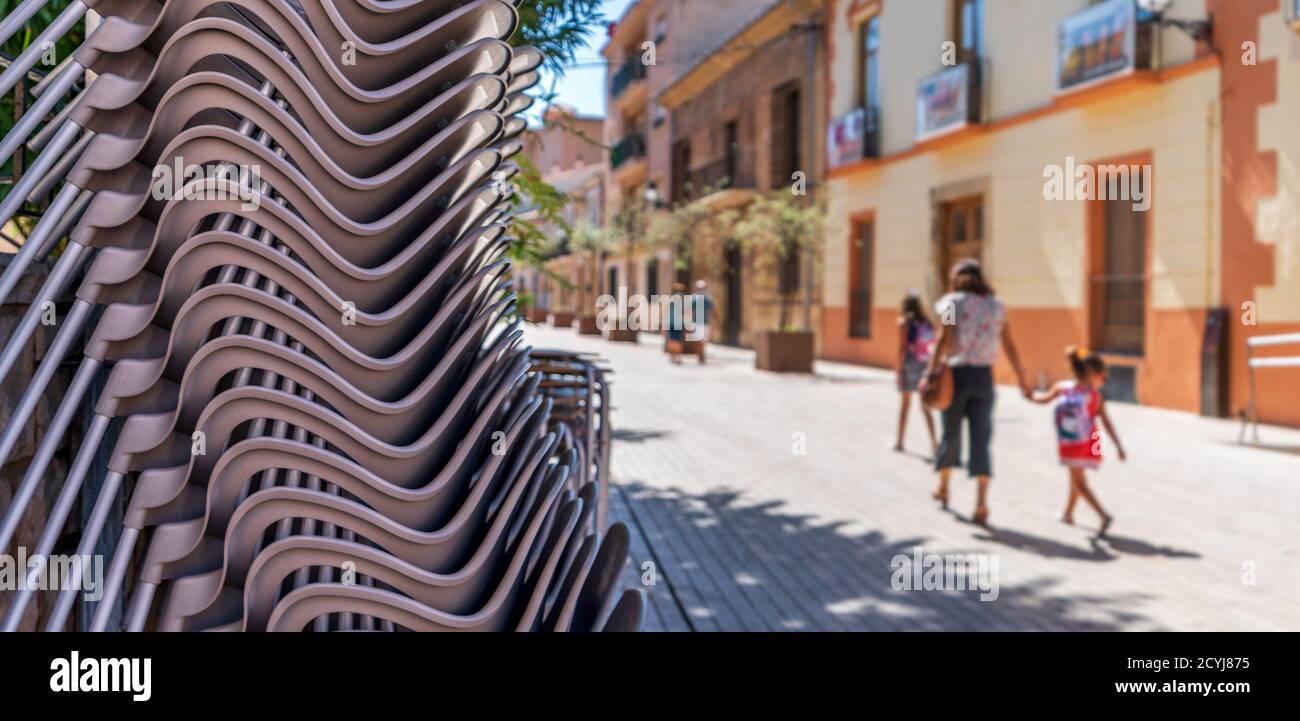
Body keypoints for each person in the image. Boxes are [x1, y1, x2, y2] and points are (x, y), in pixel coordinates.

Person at [920, 259, 1030, 526]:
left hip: (956, 376)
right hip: (984, 377)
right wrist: (1022, 379)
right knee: (981, 439)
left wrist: (930, 373)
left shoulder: (951, 302)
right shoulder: (997, 306)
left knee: (951, 432)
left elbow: (943, 340)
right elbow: (1010, 346)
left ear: (957, 278)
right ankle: (981, 503)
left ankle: (943, 487)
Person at [1028, 346, 1124, 535]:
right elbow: (1106, 422)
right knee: (1076, 478)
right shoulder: (1095, 396)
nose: (1103, 381)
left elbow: (1042, 400)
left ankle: (1103, 515)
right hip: (1091, 443)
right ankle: (1068, 513)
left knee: (1078, 481)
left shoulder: (1062, 388)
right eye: (1102, 377)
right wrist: (1118, 446)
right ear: (1092, 374)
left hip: (1070, 443)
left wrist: (1029, 396)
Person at [894, 291, 938, 455]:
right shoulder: (926, 322)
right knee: (925, 406)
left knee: (905, 405)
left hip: (909, 365)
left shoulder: (904, 323)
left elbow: (902, 348)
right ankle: (934, 444)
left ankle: (899, 442)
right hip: (924, 365)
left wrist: (898, 370)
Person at [689, 280, 714, 363]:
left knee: (703, 340)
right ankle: (700, 354)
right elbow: (689, 310)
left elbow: (712, 310)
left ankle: (701, 354)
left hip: (705, 323)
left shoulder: (708, 298)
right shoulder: (693, 298)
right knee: (697, 339)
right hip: (696, 322)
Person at [665, 282, 687, 364]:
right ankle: (677, 356)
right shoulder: (681, 298)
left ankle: (673, 356)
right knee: (678, 340)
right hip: (678, 322)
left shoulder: (672, 298)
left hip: (671, 321)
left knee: (671, 339)